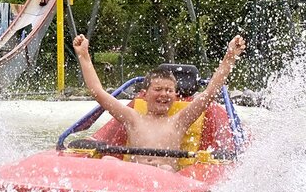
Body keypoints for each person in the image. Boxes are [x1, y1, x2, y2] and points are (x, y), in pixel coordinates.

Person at [72, 33, 246, 170]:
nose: (164, 94)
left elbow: (209, 93)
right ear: (144, 94)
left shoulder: (179, 121)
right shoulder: (132, 118)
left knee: (164, 167)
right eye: (158, 89)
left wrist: (230, 56)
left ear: (175, 96)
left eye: (169, 90)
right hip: (132, 176)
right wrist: (84, 55)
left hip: (165, 178)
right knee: (108, 160)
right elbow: (98, 92)